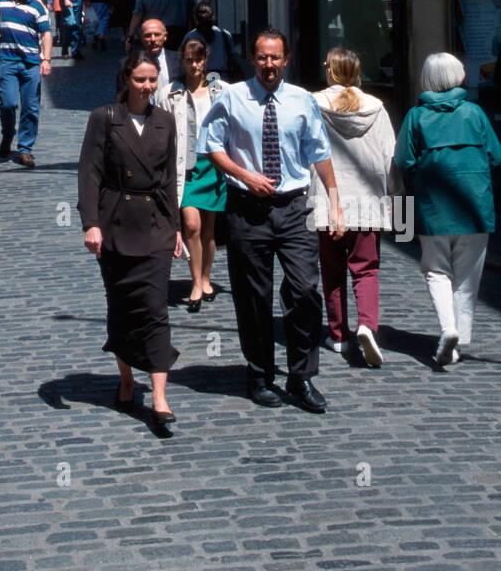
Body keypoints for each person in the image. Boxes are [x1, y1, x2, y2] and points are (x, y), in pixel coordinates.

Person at [198, 28, 345, 413]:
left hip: (294, 209)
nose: (268, 64)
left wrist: (334, 201)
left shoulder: (301, 101)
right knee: (253, 297)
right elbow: (210, 144)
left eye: (275, 57)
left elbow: (319, 151)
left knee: (304, 292)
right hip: (247, 209)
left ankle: (301, 377)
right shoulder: (232, 97)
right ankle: (260, 372)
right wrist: (246, 175)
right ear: (252, 59)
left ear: (286, 60)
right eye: (262, 57)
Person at [78, 50, 182, 425]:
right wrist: (91, 223)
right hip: (116, 225)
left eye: (152, 79)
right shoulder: (104, 119)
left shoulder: (166, 122)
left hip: (155, 225)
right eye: (140, 79)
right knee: (122, 308)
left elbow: (170, 177)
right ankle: (126, 378)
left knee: (155, 309)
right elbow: (89, 173)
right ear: (127, 79)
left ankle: (158, 396)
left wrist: (177, 229)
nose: (147, 86)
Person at [395, 52, 501, 366]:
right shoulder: (475, 113)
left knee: (436, 271)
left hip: (434, 208)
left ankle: (448, 329)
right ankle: (457, 341)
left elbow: (403, 160)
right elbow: (495, 154)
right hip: (476, 206)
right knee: (467, 277)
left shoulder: (416, 116)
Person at [309, 48, 401, 367]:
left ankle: (337, 335)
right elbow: (391, 157)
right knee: (367, 269)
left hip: (329, 201)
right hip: (367, 202)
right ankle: (367, 325)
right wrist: (397, 199)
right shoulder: (376, 108)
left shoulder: (315, 104)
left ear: (332, 72)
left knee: (332, 271)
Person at [157, 37, 229, 311]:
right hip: (185, 166)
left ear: (206, 60)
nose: (195, 65)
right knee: (192, 225)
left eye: (199, 60)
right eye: (189, 60)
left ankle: (207, 277)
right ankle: (195, 281)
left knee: (210, 230)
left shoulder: (221, 90)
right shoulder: (170, 93)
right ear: (182, 61)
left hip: (214, 163)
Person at [0, 0, 52, 168]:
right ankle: (8, 134)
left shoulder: (37, 7)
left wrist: (46, 60)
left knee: (30, 108)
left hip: (31, 63)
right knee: (8, 103)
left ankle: (25, 149)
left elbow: (46, 34)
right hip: (8, 61)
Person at [184, 2, 240, 81]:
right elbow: (233, 58)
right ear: (213, 18)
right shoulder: (224, 34)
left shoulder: (190, 37)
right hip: (212, 79)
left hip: (203, 79)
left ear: (195, 19)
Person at [137, 18, 182, 89]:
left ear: (165, 36)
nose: (153, 39)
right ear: (141, 38)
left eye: (157, 34)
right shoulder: (131, 63)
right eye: (148, 35)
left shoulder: (180, 59)